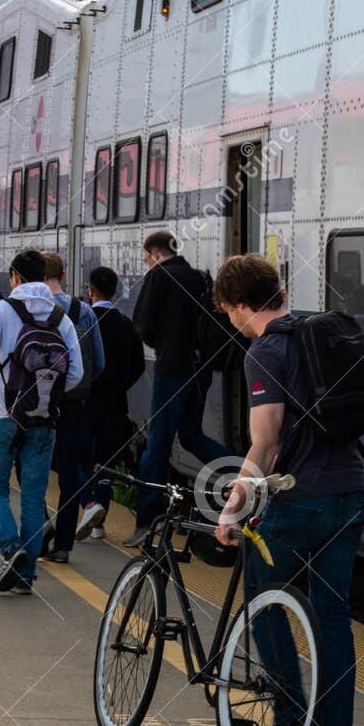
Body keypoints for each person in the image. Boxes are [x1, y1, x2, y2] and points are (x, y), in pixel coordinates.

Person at [211, 253, 364, 726]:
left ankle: (289, 719)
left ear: (239, 305)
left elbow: (265, 446)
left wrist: (231, 511)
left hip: (300, 499)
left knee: (263, 599)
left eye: (227, 311)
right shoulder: (318, 332)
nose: (229, 321)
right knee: (332, 614)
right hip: (349, 492)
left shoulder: (265, 351)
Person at [0, 250, 83, 595]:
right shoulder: (60, 317)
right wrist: (47, 392)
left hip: (3, 414)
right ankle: (26, 577)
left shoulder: (2, 309)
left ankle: (10, 548)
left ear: (14, 276)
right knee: (34, 497)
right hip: (43, 419)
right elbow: (76, 373)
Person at [125, 230, 229, 546]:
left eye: (146, 258)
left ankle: (148, 522)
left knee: (156, 448)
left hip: (171, 371)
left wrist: (164, 346)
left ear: (155, 253)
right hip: (201, 372)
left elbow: (141, 325)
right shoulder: (200, 278)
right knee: (192, 435)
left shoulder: (158, 278)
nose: (147, 263)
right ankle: (243, 473)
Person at [43, 252, 104, 564]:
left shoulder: (31, 309)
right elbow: (100, 362)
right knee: (69, 476)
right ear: (63, 274)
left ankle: (38, 534)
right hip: (74, 404)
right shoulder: (84, 311)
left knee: (30, 471)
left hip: (37, 405)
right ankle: (63, 546)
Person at [84, 266, 146, 536]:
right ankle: (100, 522)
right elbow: (139, 365)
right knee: (106, 464)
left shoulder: (84, 322)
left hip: (85, 404)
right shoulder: (125, 324)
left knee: (80, 459)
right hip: (115, 405)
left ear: (90, 291)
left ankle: (88, 506)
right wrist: (120, 384)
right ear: (116, 291)